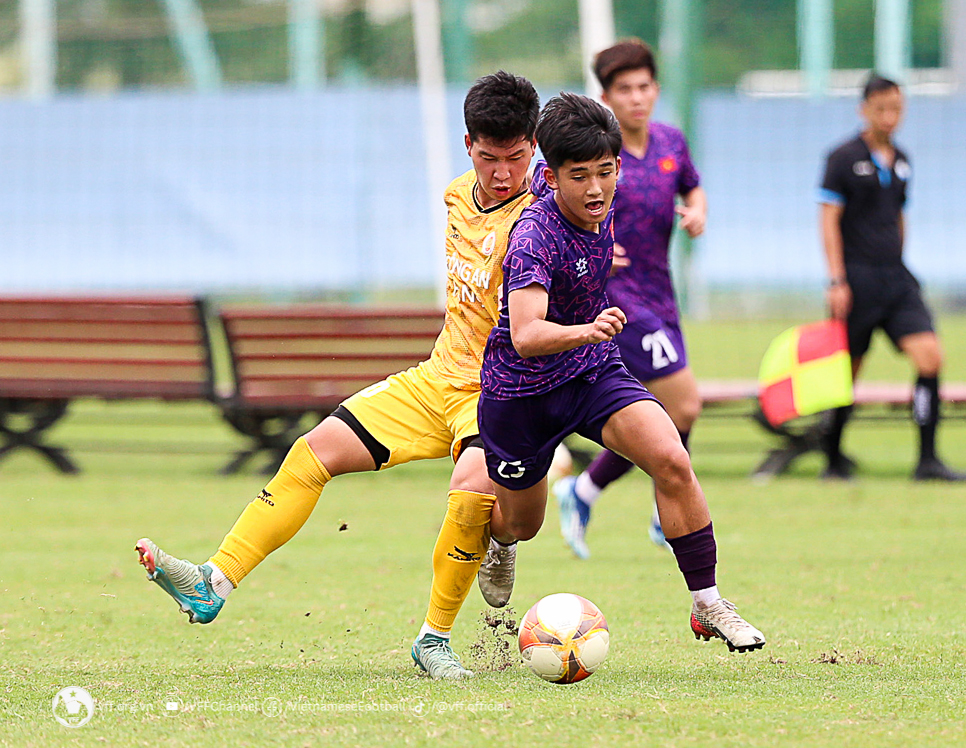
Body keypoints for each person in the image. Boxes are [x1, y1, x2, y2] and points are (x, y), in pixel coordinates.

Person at [135, 71, 542, 680]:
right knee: (313, 450)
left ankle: (434, 637)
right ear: (468, 146)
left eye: (517, 157)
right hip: (438, 377)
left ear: (535, 146)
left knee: (475, 488)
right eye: (490, 158)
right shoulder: (457, 195)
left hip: (498, 391)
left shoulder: (544, 216)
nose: (503, 173)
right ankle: (212, 582)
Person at [478, 92, 766, 653]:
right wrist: (587, 327)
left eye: (605, 173)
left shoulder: (602, 190)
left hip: (590, 372)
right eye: (579, 176)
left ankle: (708, 603)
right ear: (551, 175)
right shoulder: (534, 235)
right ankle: (500, 540)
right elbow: (527, 334)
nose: (594, 189)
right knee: (522, 523)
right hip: (521, 392)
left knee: (671, 458)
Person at [553, 39, 705, 559]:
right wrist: (587, 239)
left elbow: (692, 186)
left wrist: (697, 211)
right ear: (606, 96)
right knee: (682, 403)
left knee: (654, 411)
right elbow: (547, 199)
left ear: (656, 90)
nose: (637, 98)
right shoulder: (596, 154)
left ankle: (584, 491)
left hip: (662, 293)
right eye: (625, 89)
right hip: (617, 298)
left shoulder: (670, 143)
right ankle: (668, 510)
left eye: (644, 87)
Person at [818, 74, 966, 482]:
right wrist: (837, 280)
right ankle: (832, 459)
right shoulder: (842, 158)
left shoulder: (903, 159)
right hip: (857, 279)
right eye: (881, 109)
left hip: (896, 279)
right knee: (846, 373)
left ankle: (927, 460)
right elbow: (828, 220)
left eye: (896, 109)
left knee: (930, 357)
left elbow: (898, 214)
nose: (889, 117)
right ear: (864, 109)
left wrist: (900, 258)